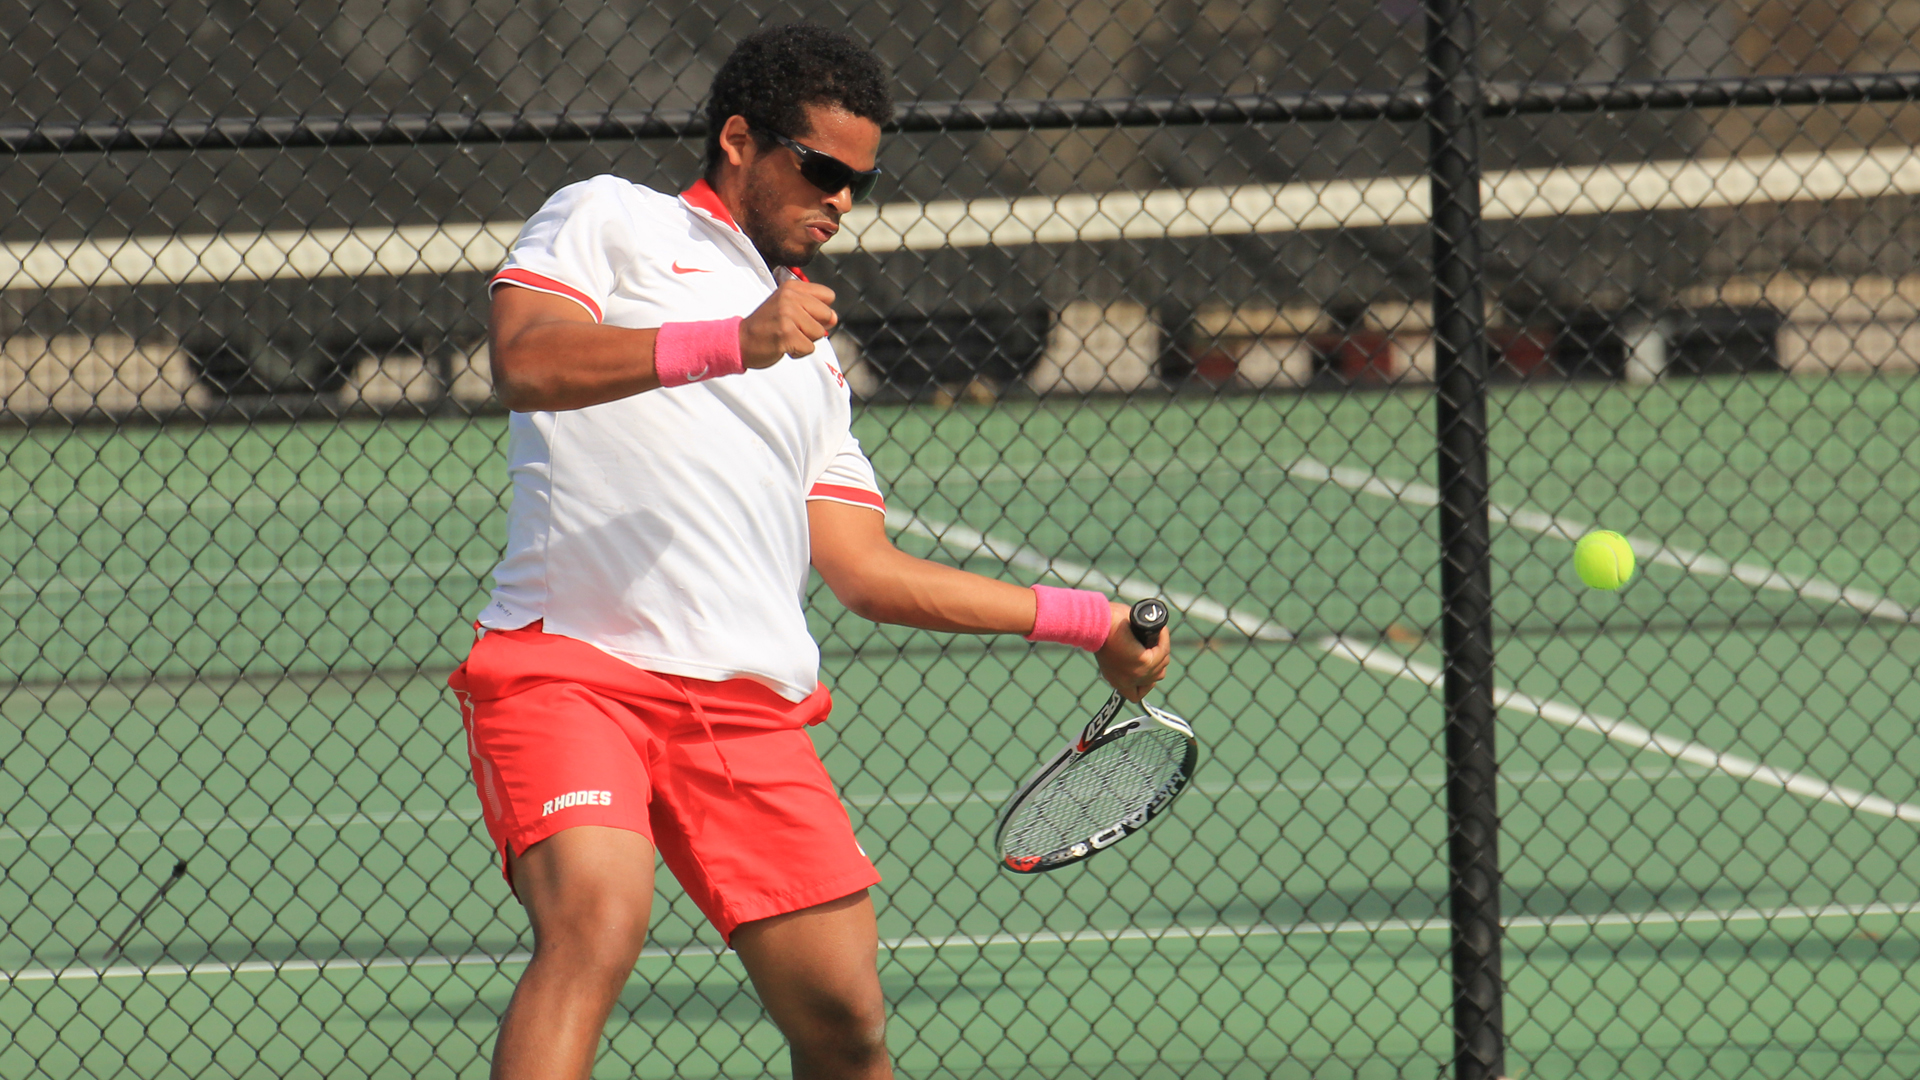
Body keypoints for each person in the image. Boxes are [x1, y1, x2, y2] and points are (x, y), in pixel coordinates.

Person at [448, 24, 1170, 1080]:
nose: (839, 200)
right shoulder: (610, 216)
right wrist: (731, 340)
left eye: (858, 184)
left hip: (744, 709)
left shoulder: (815, 364)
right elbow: (525, 361)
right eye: (821, 169)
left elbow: (866, 572)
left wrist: (1088, 620)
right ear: (740, 139)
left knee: (845, 1018)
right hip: (571, 675)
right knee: (597, 922)